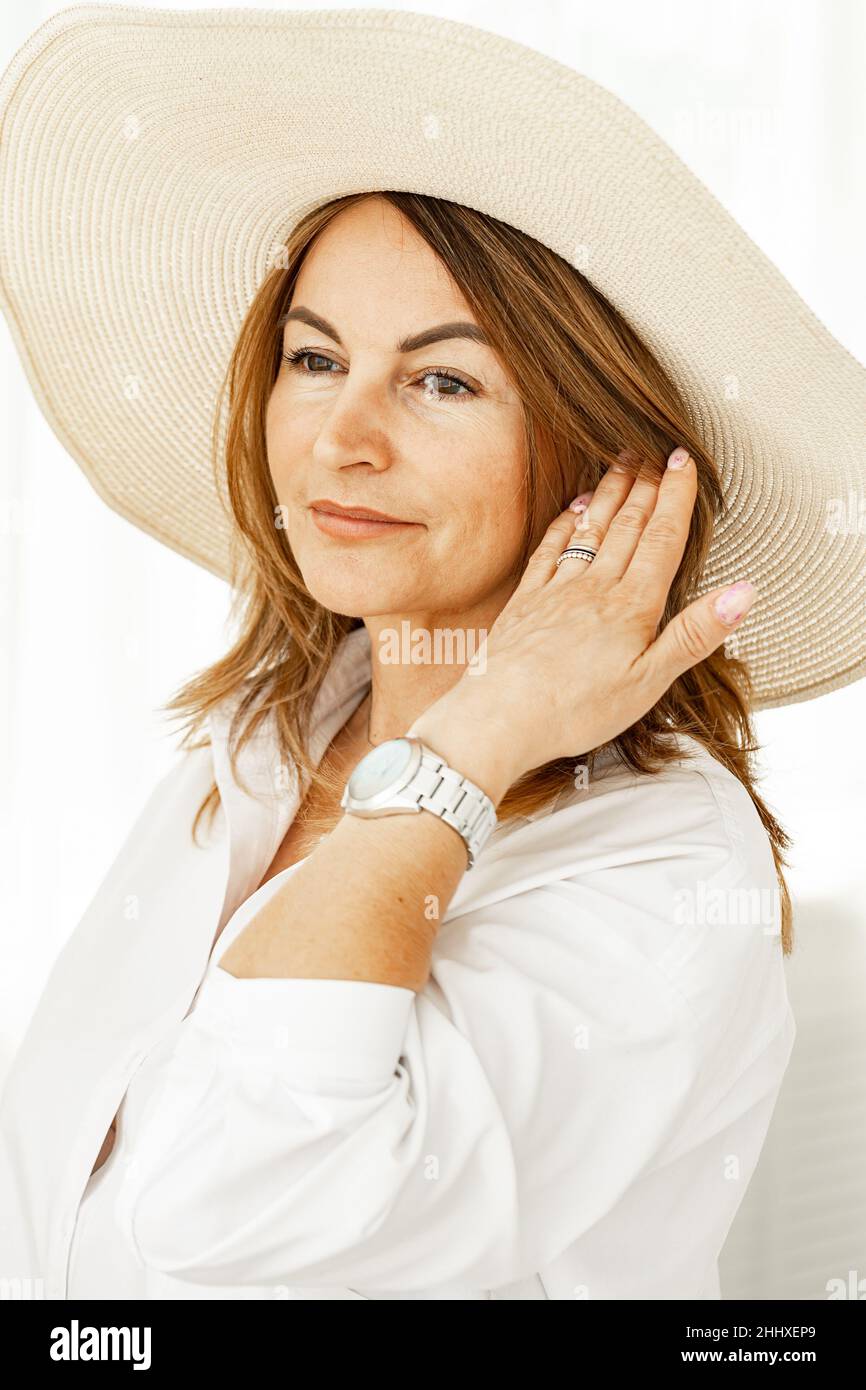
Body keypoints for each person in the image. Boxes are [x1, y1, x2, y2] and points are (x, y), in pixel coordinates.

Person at [2, 7, 862, 1303]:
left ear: (598, 470)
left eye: (442, 382)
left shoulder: (667, 867)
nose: (341, 436)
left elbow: (235, 1220)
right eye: (313, 356)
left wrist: (471, 737)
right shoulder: (249, 755)